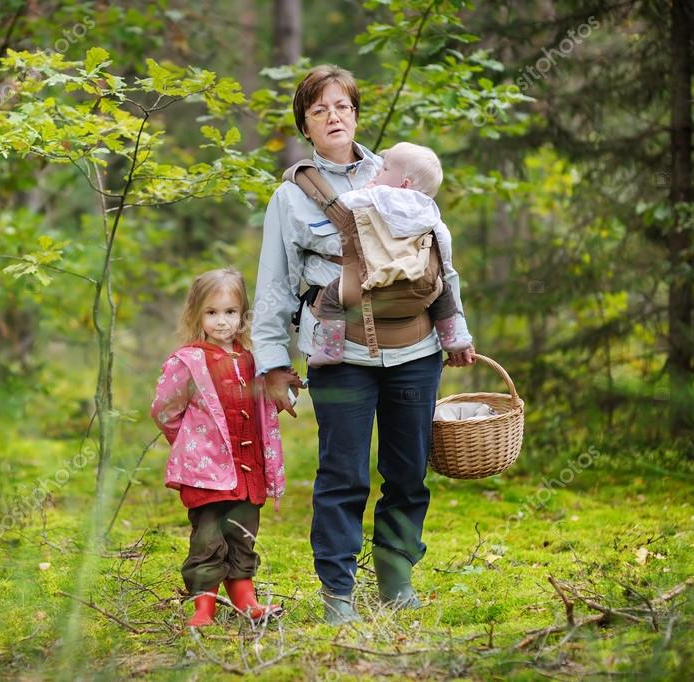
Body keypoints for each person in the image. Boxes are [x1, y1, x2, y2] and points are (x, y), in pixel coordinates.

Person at [251, 65, 476, 625]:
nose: (334, 116)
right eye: (320, 109)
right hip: (339, 355)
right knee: (343, 473)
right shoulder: (290, 197)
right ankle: (339, 592)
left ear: (356, 115)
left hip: (415, 352)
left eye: (343, 107)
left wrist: (456, 333)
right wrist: (274, 365)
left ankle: (397, 575)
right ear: (305, 123)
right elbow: (274, 284)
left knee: (406, 471)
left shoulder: (401, 173)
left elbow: (441, 259)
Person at [151, 268, 287, 627]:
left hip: (247, 467)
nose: (222, 321)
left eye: (230, 312)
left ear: (243, 314)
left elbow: (263, 406)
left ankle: (248, 603)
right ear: (197, 313)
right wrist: (191, 444)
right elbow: (165, 410)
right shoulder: (188, 362)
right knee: (209, 539)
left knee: (242, 535)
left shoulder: (253, 360)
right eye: (212, 313)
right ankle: (203, 610)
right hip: (206, 472)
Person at [308, 141, 473, 367]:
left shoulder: (381, 195)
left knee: (331, 295)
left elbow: (344, 205)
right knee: (442, 292)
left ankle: (331, 348)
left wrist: (365, 191)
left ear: (404, 183)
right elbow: (443, 239)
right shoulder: (428, 209)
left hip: (377, 272)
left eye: (385, 168)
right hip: (415, 274)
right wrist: (442, 265)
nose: (378, 171)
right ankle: (451, 338)